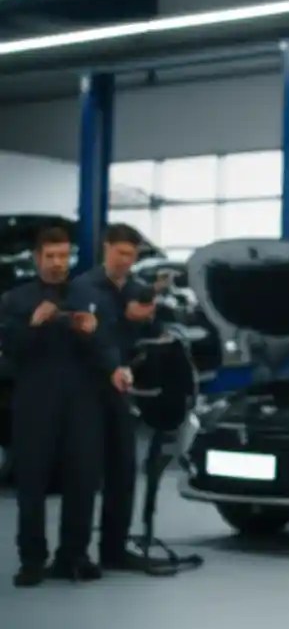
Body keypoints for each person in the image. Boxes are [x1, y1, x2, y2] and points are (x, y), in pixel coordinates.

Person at [1, 226, 129, 586]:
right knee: (31, 483)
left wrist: (93, 336)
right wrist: (34, 324)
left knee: (83, 480)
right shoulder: (16, 300)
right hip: (34, 402)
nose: (58, 263)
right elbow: (10, 354)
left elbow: (108, 347)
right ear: (37, 258)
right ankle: (32, 560)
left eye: (64, 256)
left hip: (82, 403)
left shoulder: (90, 296)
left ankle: (74, 555)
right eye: (51, 256)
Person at [71, 223, 159, 573]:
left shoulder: (139, 289)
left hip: (122, 389)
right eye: (121, 253)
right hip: (87, 388)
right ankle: (75, 553)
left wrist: (147, 318)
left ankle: (115, 549)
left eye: (132, 255)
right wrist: (111, 366)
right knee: (84, 472)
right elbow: (89, 339)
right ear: (106, 248)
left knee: (123, 469)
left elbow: (151, 333)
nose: (126, 260)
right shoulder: (82, 288)